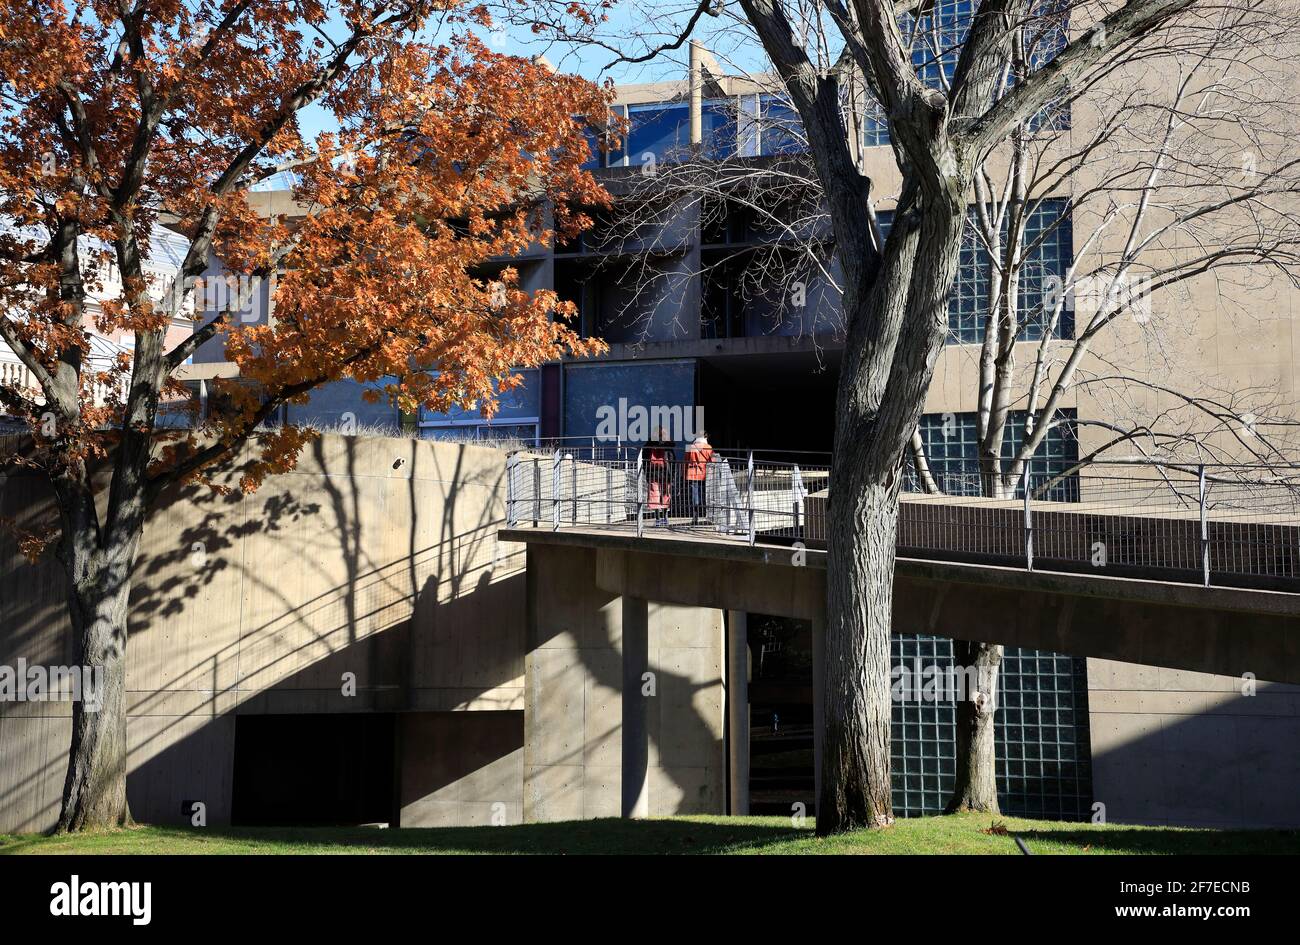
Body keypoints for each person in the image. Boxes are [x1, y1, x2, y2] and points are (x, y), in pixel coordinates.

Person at [644, 428, 674, 526]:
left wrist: (646, 474)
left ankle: (657, 519)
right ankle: (665, 518)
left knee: (654, 496)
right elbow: (672, 460)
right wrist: (673, 475)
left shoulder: (649, 445)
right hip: (666, 473)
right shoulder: (668, 446)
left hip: (652, 474)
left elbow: (644, 460)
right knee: (665, 495)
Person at [684, 431, 714, 526]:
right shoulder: (708, 447)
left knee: (694, 496)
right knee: (706, 494)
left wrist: (683, 474)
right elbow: (713, 461)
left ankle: (695, 516)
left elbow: (685, 461)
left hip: (692, 474)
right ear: (705, 437)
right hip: (704, 474)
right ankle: (707, 514)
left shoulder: (690, 447)